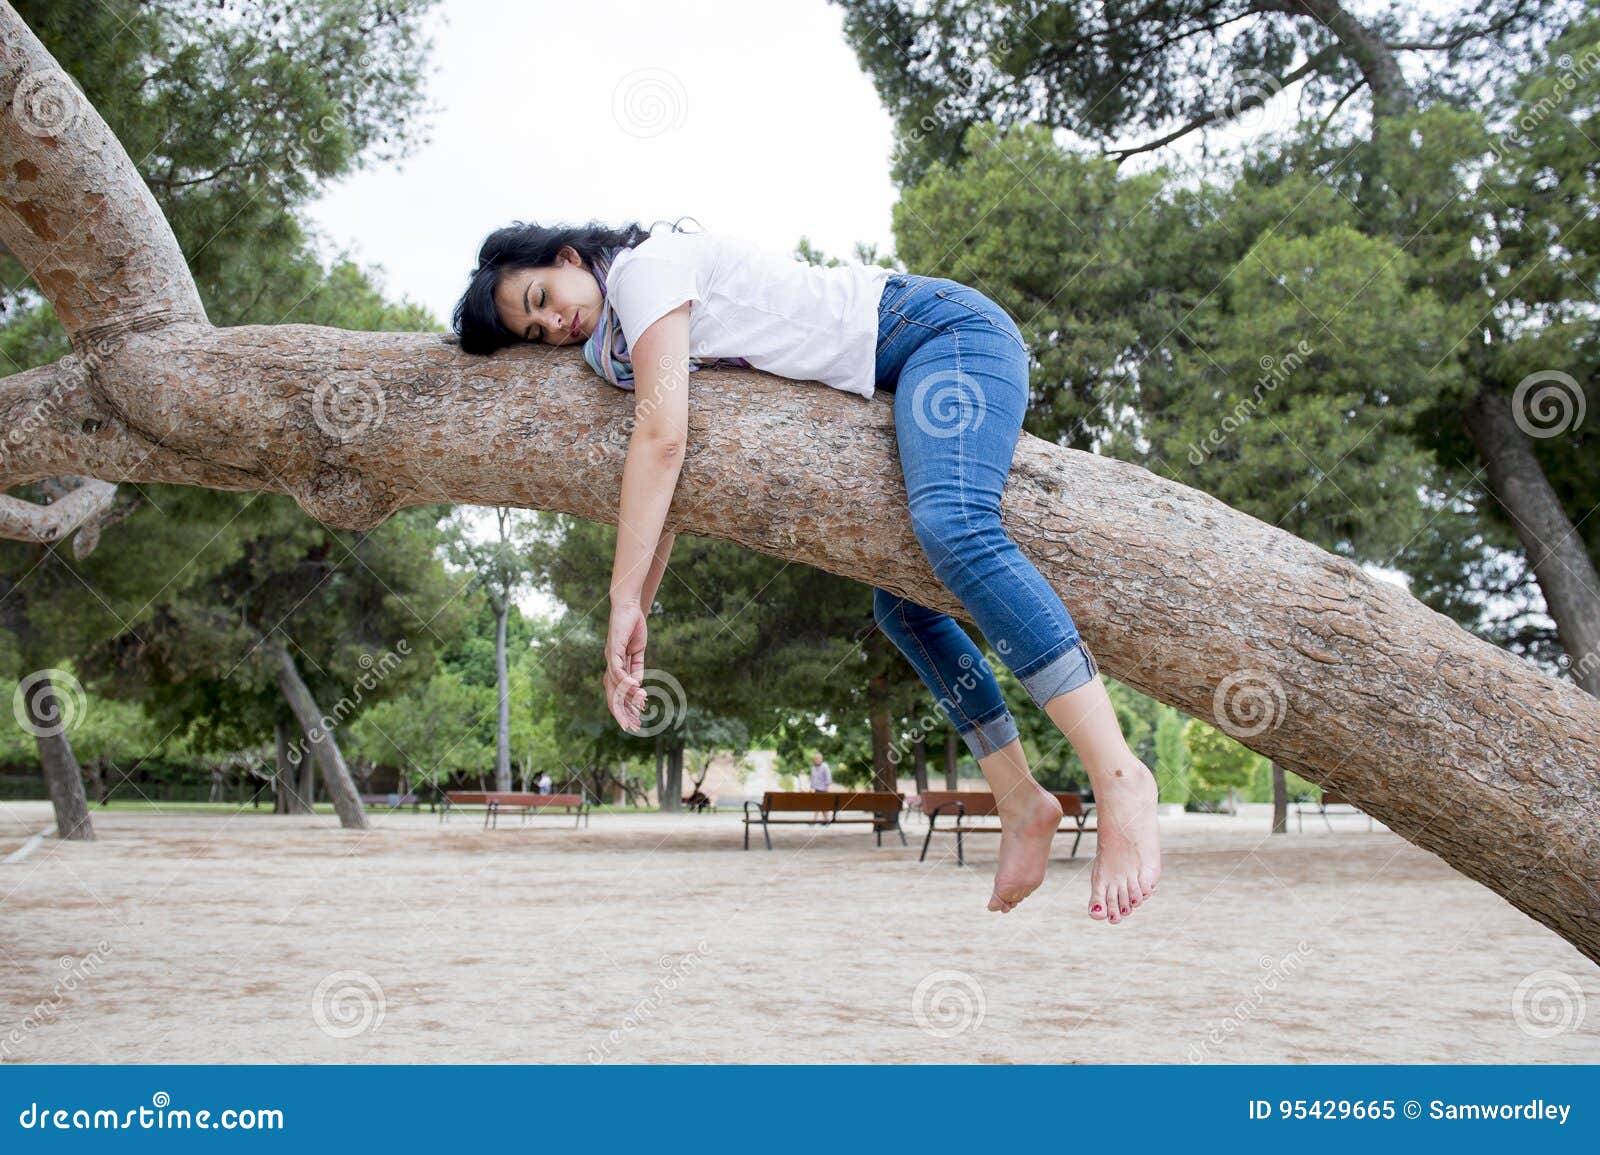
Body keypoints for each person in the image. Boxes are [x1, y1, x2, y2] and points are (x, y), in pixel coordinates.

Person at [452, 219, 1161, 923]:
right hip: (895, 378)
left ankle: (1119, 774)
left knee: (956, 525)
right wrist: (640, 602)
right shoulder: (626, 343)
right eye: (537, 331)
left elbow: (662, 439)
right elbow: (671, 482)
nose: (555, 323)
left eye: (543, 296)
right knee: (903, 609)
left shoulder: (642, 271)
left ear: (569, 258)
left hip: (944, 333)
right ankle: (1020, 800)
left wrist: (618, 599)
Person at [809, 751, 832, 823]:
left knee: (820, 805)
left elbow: (828, 778)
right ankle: (825, 819)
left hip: (823, 789)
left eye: (818, 758)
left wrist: (827, 788)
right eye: (815, 758)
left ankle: (816, 819)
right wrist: (811, 788)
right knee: (819, 805)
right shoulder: (813, 767)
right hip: (817, 789)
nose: (817, 760)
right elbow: (813, 779)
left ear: (821, 759)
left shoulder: (825, 766)